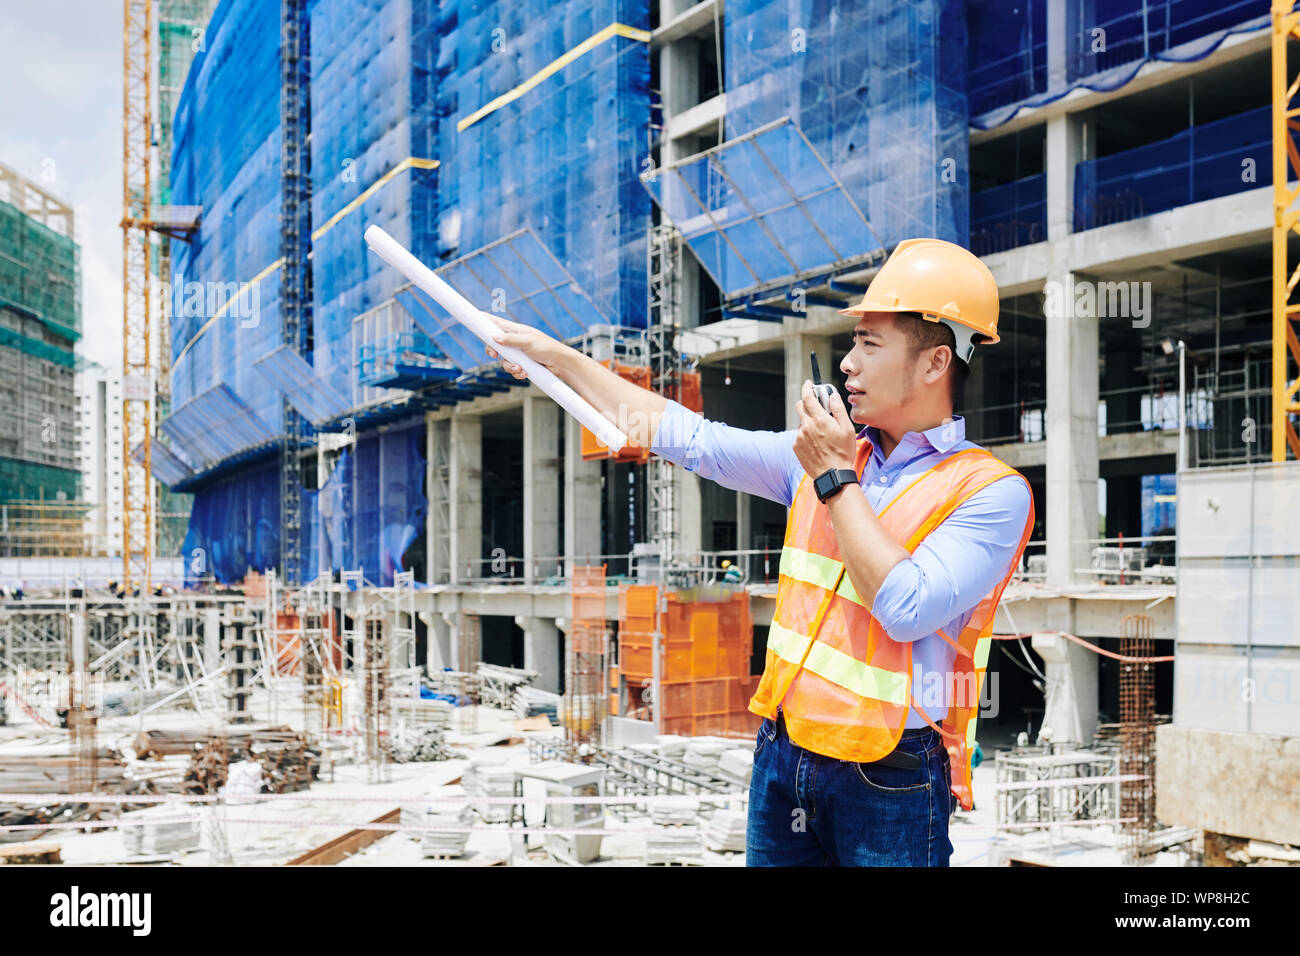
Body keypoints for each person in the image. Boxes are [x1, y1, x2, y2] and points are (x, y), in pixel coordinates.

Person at [485, 238, 1034, 866]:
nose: (847, 364)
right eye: (853, 343)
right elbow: (685, 436)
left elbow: (906, 607)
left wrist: (833, 475)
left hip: (889, 780)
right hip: (784, 754)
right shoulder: (824, 456)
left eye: (870, 344)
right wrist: (552, 357)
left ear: (936, 363)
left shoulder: (988, 492)